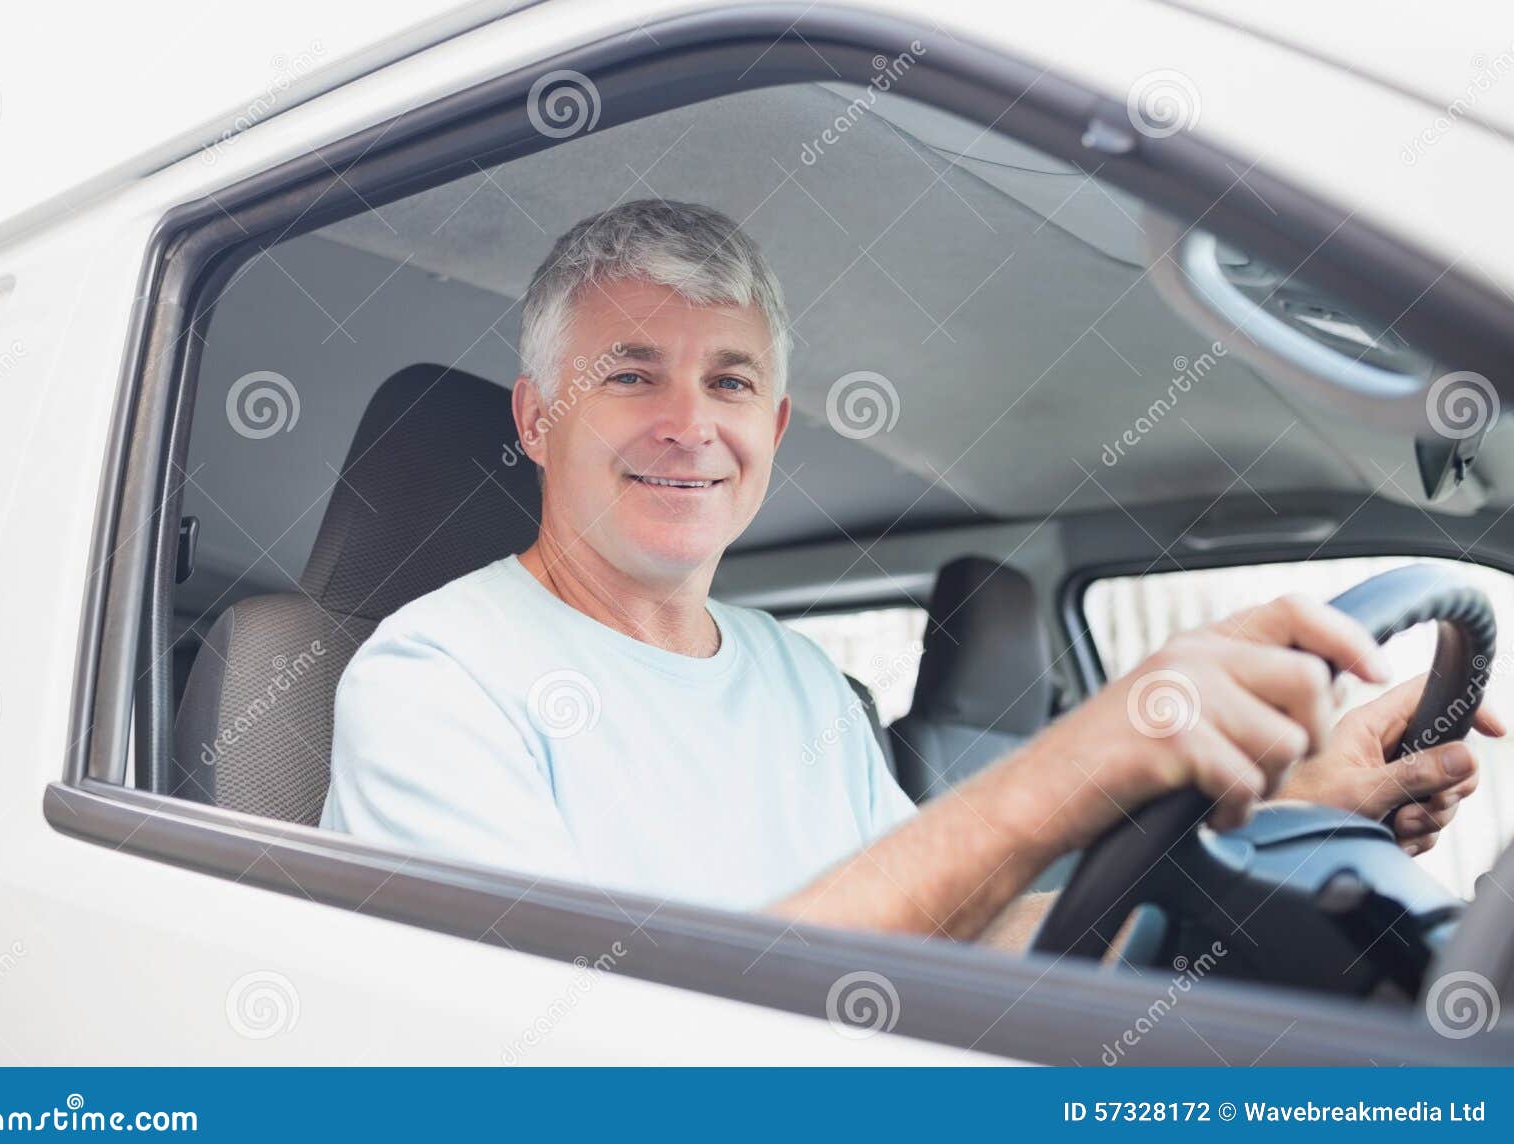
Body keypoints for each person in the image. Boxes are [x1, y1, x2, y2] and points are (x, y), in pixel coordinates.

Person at [320, 199, 1500, 945]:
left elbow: (953, 932)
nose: (691, 424)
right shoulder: (432, 679)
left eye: (728, 381)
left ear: (774, 427)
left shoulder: (794, 676)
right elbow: (571, 1067)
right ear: (535, 418)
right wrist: (1074, 764)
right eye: (631, 374)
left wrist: (1295, 813)